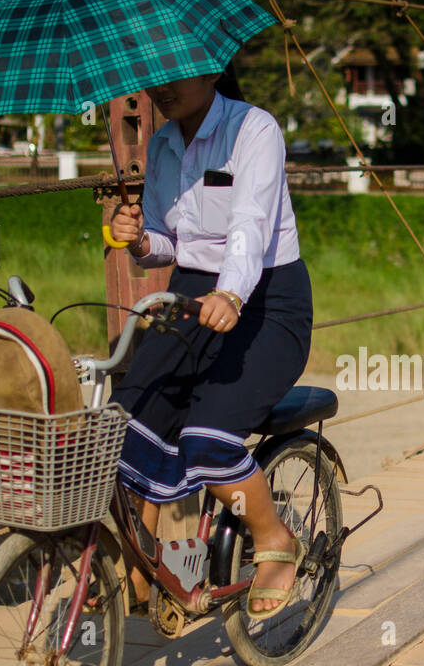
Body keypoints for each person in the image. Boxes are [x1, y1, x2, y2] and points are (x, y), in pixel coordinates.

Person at [107, 64, 311, 621]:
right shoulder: (164, 143)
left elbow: (249, 224)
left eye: (175, 75)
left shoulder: (255, 130)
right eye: (153, 80)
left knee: (208, 436)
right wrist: (139, 238)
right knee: (119, 423)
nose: (161, 90)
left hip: (264, 299)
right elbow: (168, 244)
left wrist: (232, 295)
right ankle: (145, 565)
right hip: (192, 297)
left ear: (213, 70)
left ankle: (275, 539)